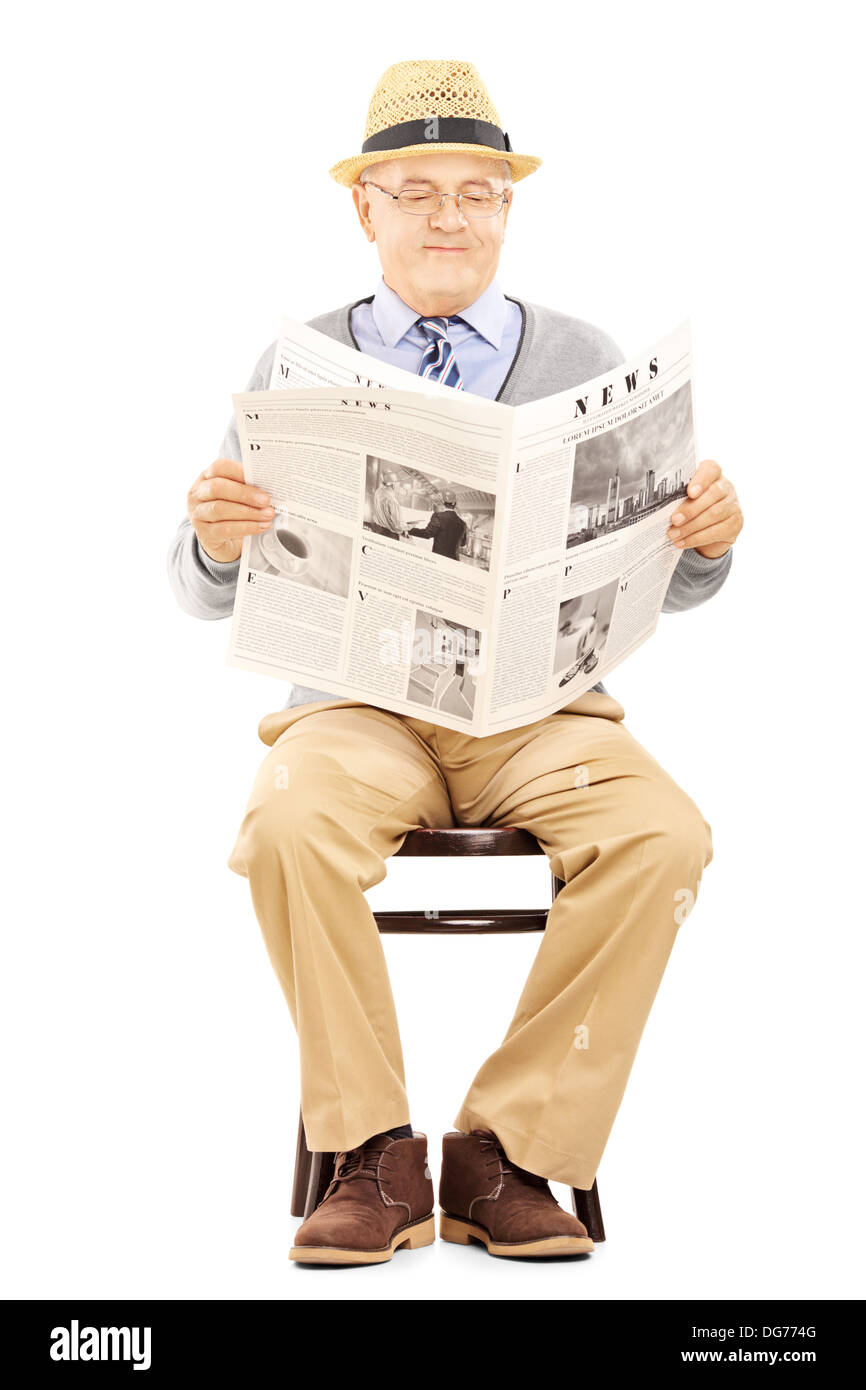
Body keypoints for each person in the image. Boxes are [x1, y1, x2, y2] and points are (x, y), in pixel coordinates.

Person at [168, 59, 744, 1266]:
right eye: (415, 190)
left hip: (544, 715)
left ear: (505, 209)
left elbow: (670, 583)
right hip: (358, 711)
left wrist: (703, 543)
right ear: (363, 208)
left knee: (664, 834)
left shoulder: (587, 352)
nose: (447, 217)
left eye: (475, 192)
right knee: (283, 823)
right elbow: (199, 582)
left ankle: (507, 1150)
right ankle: (373, 1151)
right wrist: (214, 540)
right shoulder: (300, 362)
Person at [407, 487, 468, 560]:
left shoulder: (438, 516)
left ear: (442, 502)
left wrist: (409, 529)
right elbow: (462, 544)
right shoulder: (463, 524)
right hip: (454, 560)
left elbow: (427, 534)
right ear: (455, 503)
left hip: (438, 558)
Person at [370, 469, 404, 538]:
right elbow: (397, 525)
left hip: (377, 529)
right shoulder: (392, 501)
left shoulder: (378, 491)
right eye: (397, 483)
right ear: (393, 485)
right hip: (389, 534)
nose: (398, 486)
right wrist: (404, 530)